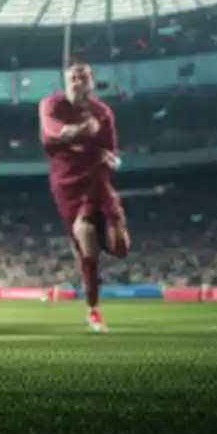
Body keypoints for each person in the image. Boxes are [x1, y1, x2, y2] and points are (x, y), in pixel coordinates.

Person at [38, 59, 130, 332]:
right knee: (87, 246)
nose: (79, 83)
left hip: (97, 179)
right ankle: (93, 310)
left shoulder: (103, 112)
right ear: (66, 81)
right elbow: (51, 133)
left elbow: (113, 153)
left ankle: (106, 225)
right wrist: (80, 130)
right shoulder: (51, 105)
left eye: (84, 78)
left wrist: (112, 161)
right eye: (74, 78)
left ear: (91, 81)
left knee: (121, 249)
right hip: (67, 184)